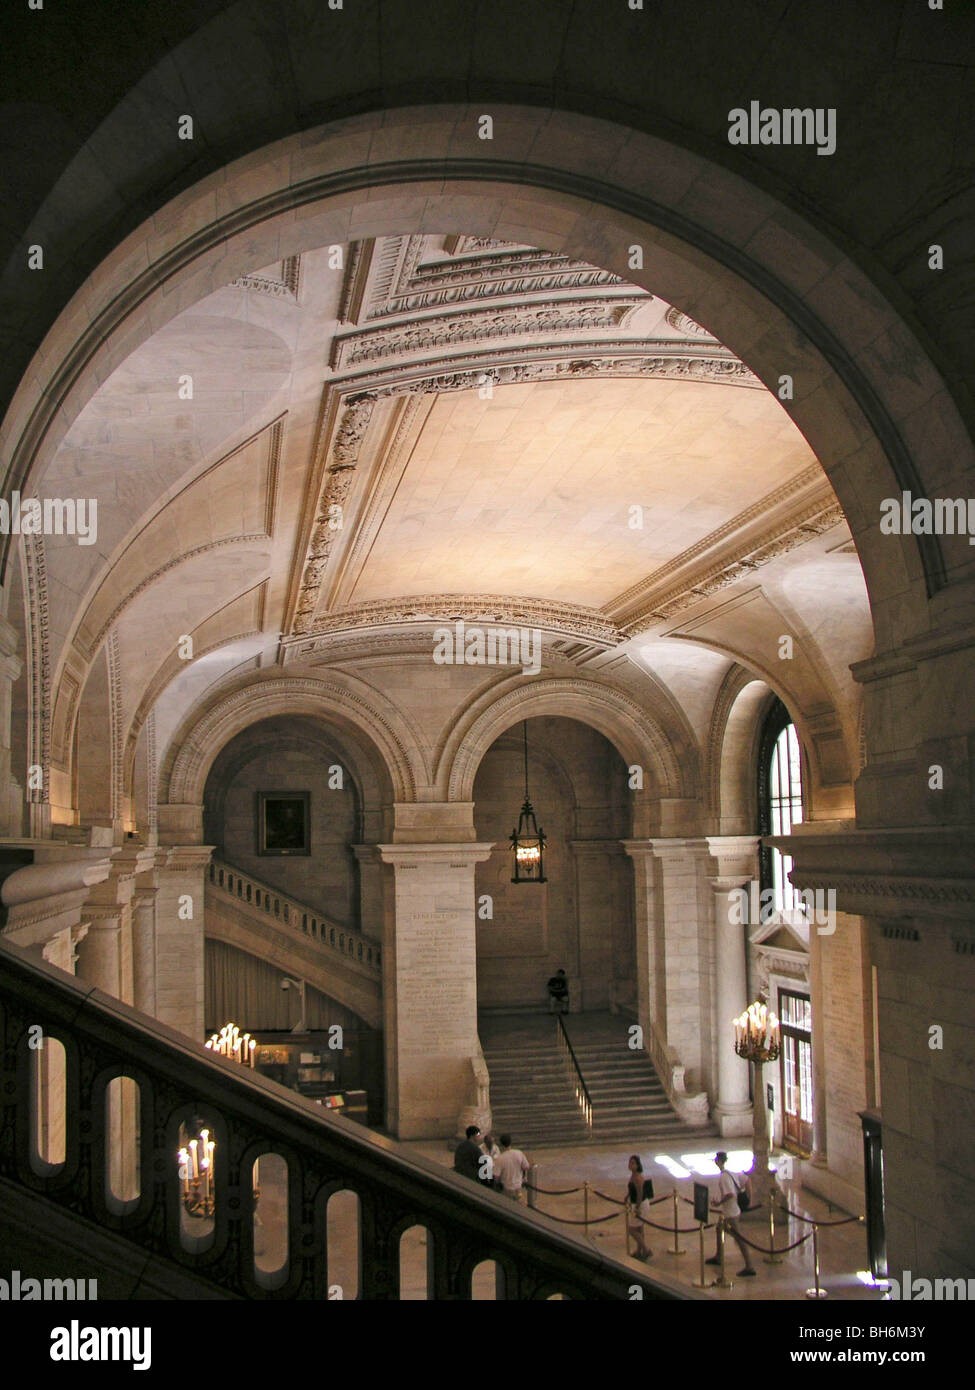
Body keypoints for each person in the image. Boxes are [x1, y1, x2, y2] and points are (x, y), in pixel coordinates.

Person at [707, 1151, 756, 1276]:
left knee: (739, 1238)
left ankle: (749, 1266)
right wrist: (750, 1198)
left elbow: (730, 1194)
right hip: (731, 1211)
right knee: (719, 1229)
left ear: (718, 1161)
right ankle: (718, 1256)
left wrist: (718, 1203)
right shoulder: (731, 1173)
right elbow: (747, 1180)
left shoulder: (724, 1177)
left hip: (731, 1212)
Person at [626, 1155, 653, 1260]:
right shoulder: (633, 1176)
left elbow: (640, 1193)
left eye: (633, 1163)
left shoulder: (638, 1177)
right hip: (636, 1203)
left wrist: (637, 1208)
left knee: (632, 1229)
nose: (630, 1165)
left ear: (637, 1165)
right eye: (630, 1162)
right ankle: (638, 1251)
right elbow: (631, 1189)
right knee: (639, 1228)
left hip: (640, 1204)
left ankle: (646, 1250)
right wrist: (627, 1197)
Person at [493, 1133, 531, 1200]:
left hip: (507, 1188)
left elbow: (496, 1176)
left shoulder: (500, 1158)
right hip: (518, 1187)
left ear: (501, 1144)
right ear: (511, 1142)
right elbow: (526, 1167)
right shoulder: (519, 1153)